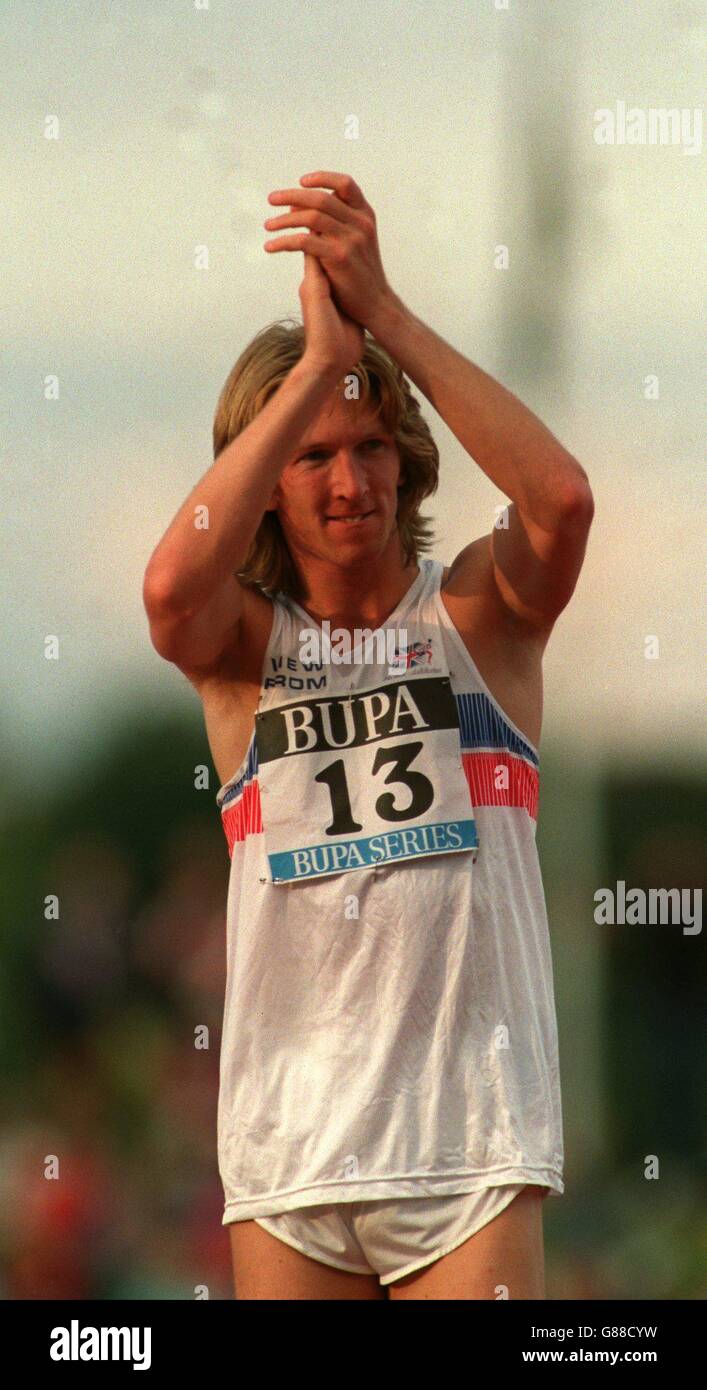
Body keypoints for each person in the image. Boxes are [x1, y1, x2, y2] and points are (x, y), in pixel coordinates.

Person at [142, 170, 594, 1300]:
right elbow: (167, 591)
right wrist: (312, 367)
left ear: (406, 459)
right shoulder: (241, 651)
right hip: (290, 1159)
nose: (350, 483)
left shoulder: (479, 616)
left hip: (470, 1152)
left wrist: (381, 316)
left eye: (373, 445)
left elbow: (560, 502)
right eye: (311, 455)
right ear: (265, 482)